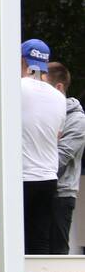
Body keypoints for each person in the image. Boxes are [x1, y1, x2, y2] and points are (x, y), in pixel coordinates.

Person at [21, 39, 66, 254]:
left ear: (22, 61)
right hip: (48, 177)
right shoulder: (58, 97)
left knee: (15, 241)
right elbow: (57, 135)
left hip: (21, 177)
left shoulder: (15, 89)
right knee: (40, 242)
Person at [47, 61, 85, 254]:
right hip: (41, 190)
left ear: (59, 88)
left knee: (56, 255)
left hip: (61, 195)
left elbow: (60, 159)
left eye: (44, 86)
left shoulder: (77, 120)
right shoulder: (43, 114)